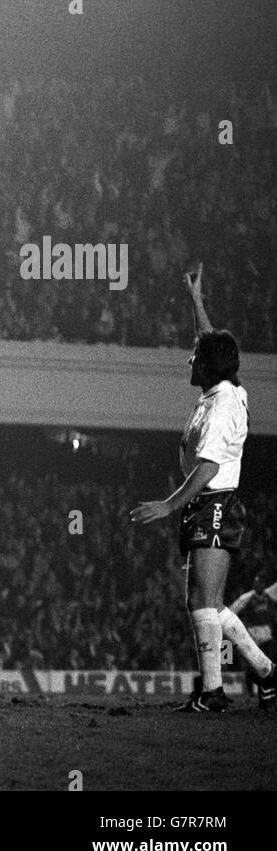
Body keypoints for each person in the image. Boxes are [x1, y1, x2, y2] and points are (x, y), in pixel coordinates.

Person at [130, 263, 269, 712]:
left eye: (195, 357)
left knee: (200, 603)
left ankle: (212, 693)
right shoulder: (225, 388)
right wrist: (196, 302)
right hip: (209, 505)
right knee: (210, 604)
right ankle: (268, 674)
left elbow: (208, 466)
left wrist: (169, 506)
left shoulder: (220, 406)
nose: (189, 359)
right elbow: (209, 345)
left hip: (213, 503)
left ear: (206, 368)